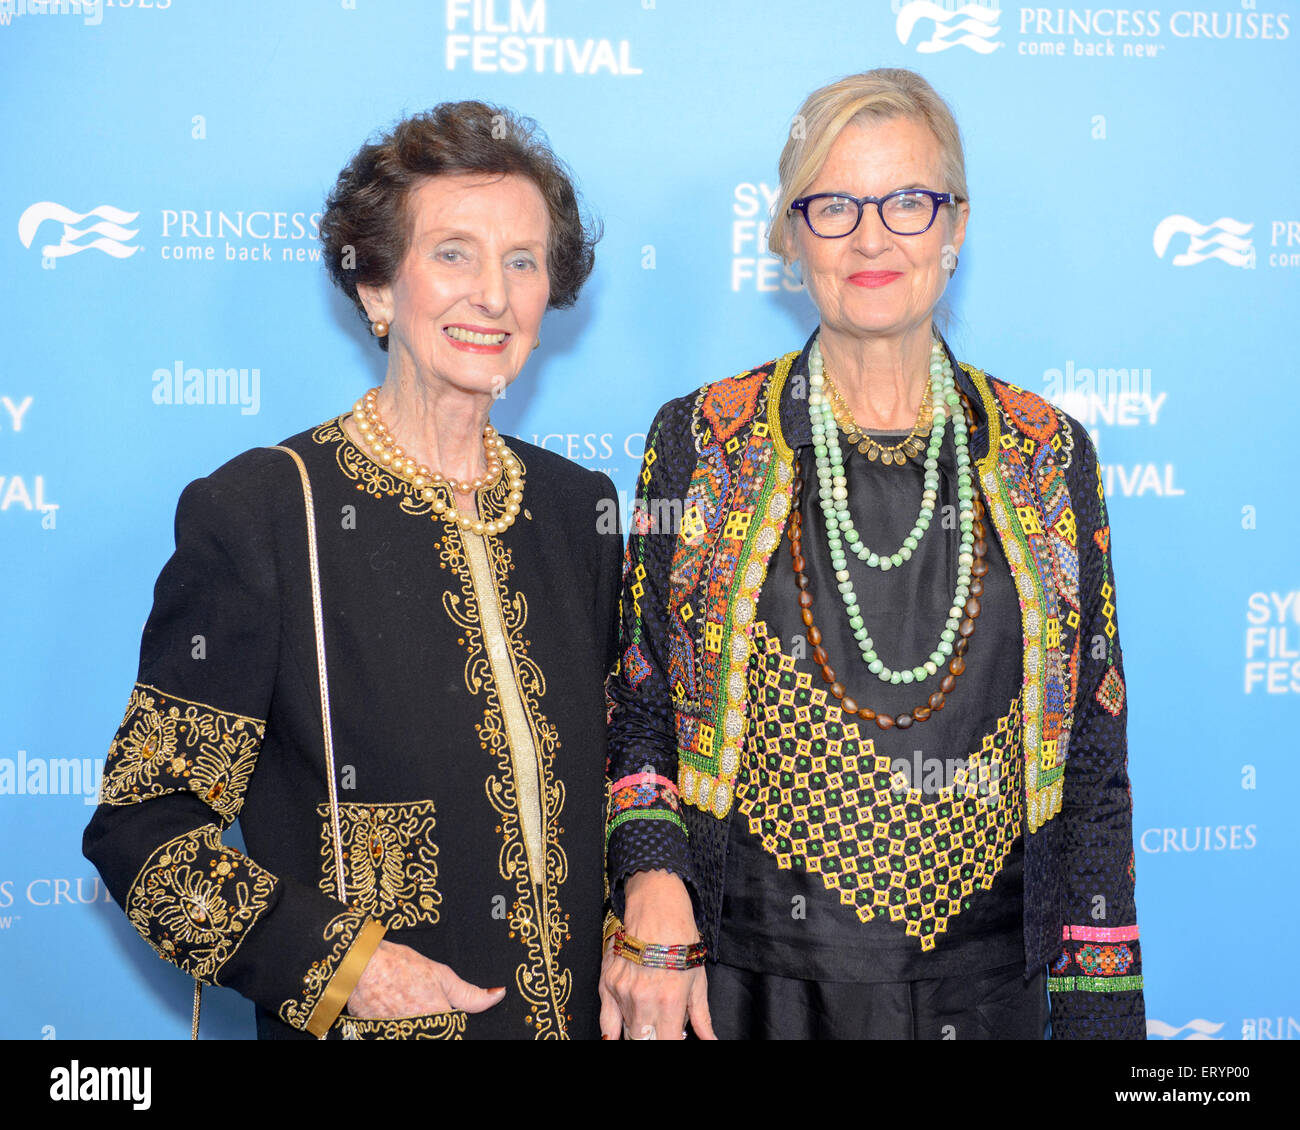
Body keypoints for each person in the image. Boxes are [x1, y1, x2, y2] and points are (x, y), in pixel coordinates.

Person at [600, 69, 1144, 1040]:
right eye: (834, 204)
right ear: (790, 233)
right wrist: (649, 881)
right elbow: (636, 700)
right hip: (749, 992)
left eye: (906, 201)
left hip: (987, 996)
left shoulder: (1045, 450)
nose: (870, 236)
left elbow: (1093, 755)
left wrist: (1103, 1018)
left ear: (955, 225)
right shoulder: (699, 437)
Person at [84, 101, 619, 1040]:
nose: (492, 294)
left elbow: (629, 773)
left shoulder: (581, 512)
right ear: (375, 287)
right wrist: (340, 965)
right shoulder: (261, 513)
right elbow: (142, 830)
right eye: (453, 253)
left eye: (523, 261)